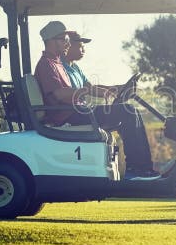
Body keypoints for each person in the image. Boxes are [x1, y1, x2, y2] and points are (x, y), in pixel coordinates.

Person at [34, 21, 158, 179]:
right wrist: (88, 91)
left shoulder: (57, 63)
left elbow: (78, 90)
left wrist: (109, 90)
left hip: (77, 112)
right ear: (52, 41)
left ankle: (144, 167)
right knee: (127, 111)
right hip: (68, 116)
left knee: (130, 112)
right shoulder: (46, 64)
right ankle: (137, 169)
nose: (67, 43)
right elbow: (59, 94)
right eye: (64, 39)